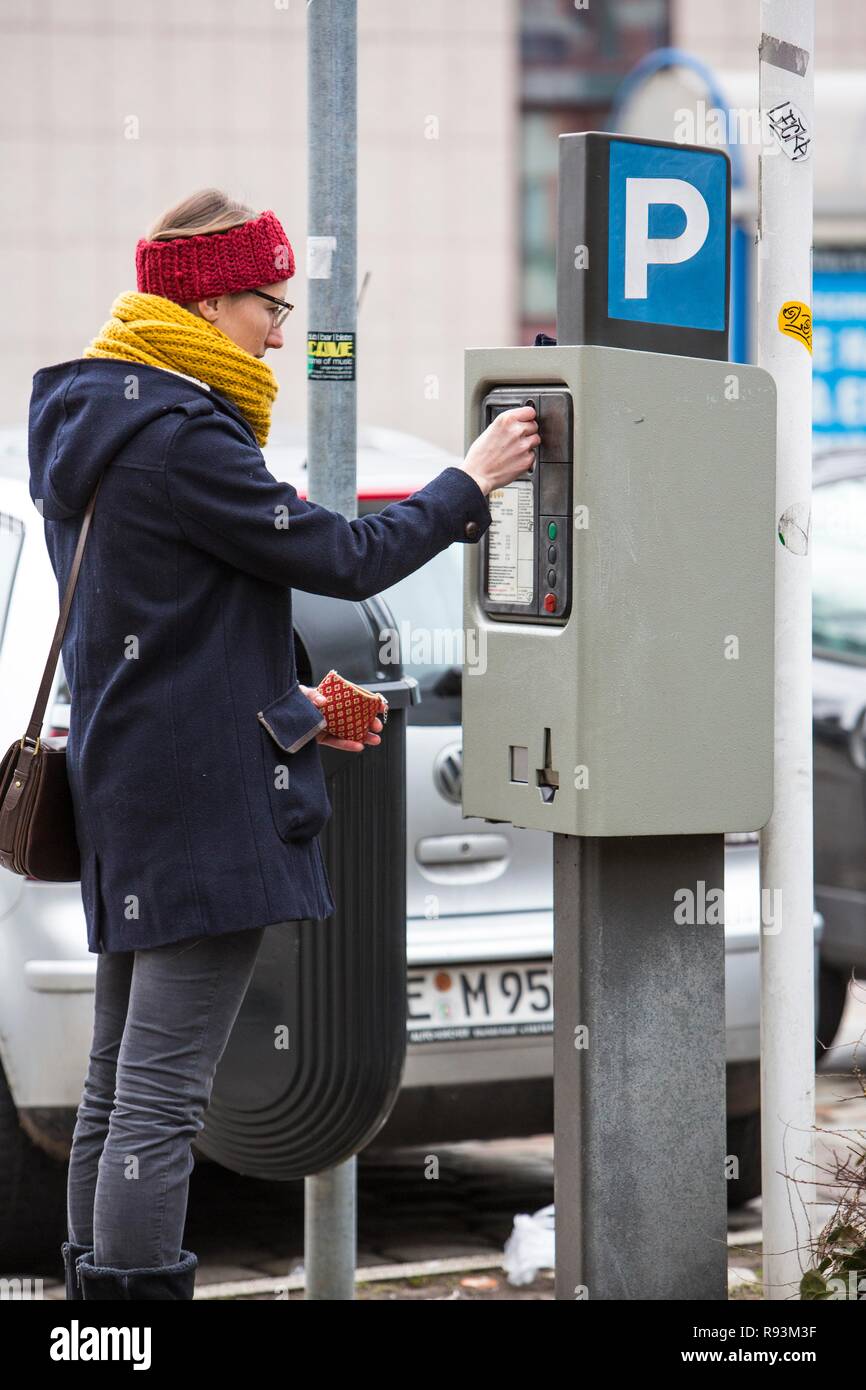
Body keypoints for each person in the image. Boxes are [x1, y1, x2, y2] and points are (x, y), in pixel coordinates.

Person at [27, 188, 540, 1300]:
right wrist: (471, 481)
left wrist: (300, 708)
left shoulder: (100, 421)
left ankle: (93, 1319)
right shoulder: (180, 438)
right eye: (270, 303)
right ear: (210, 300)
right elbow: (343, 556)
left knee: (117, 1090)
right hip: (201, 818)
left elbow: (172, 642)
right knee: (159, 1102)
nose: (282, 328)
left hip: (132, 790)